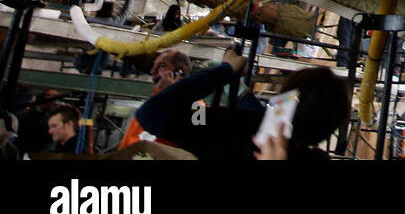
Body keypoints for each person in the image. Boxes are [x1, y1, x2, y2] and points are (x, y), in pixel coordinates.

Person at [135, 45, 351, 160]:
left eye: (161, 65)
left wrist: (225, 70)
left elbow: (150, 114)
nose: (154, 71)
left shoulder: (235, 129)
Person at [117, 49, 191, 150]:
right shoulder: (155, 102)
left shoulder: (198, 106)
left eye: (161, 66)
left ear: (179, 73)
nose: (152, 71)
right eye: (154, 66)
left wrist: (169, 97)